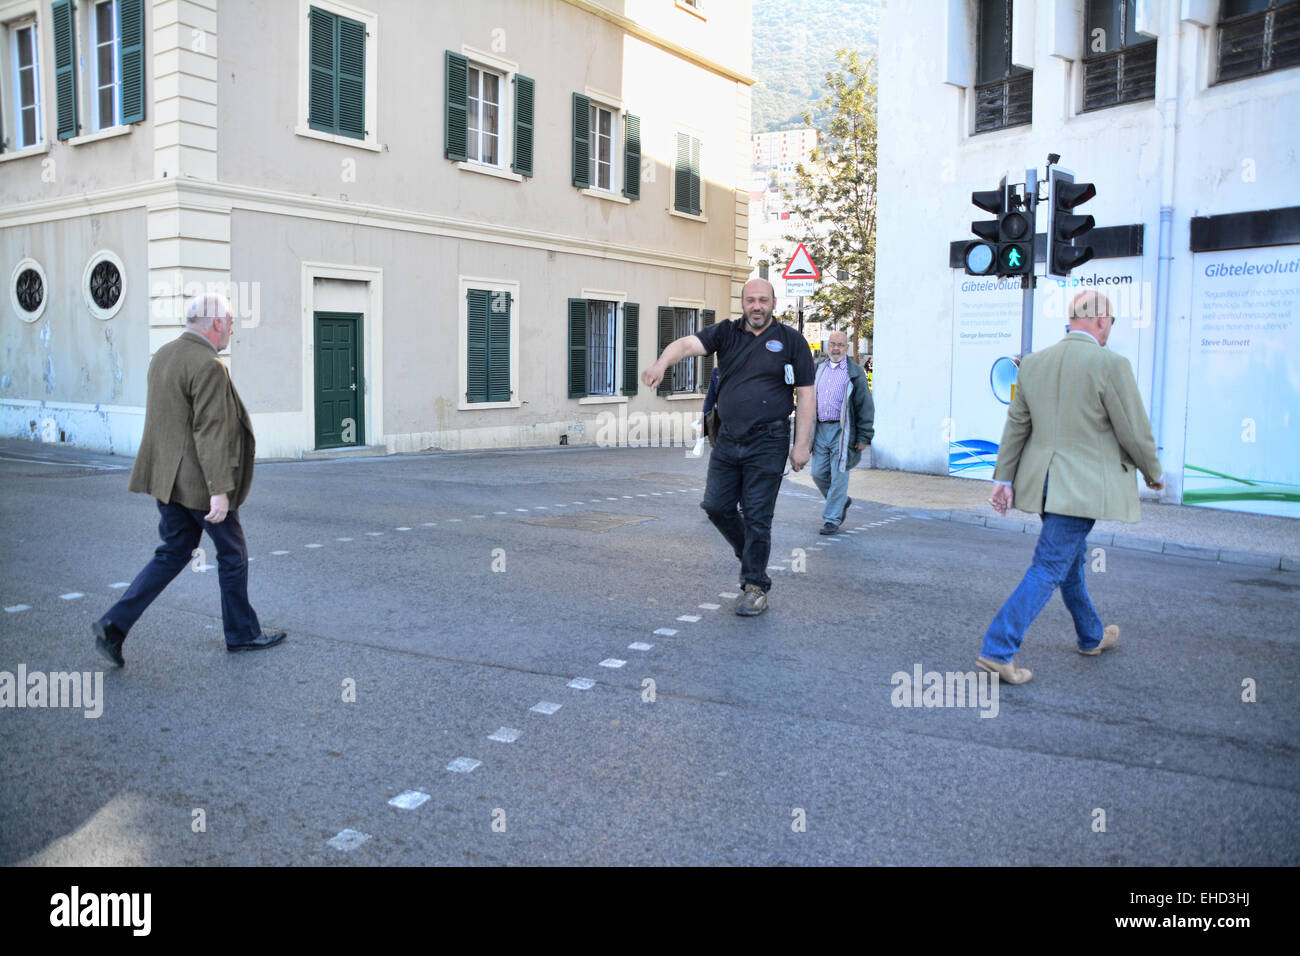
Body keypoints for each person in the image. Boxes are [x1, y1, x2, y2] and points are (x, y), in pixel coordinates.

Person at [977, 290, 1163, 684]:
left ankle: (1091, 634)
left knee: (1069, 562)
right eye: (1111, 320)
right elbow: (1133, 429)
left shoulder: (1035, 364)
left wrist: (1003, 479)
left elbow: (1017, 427)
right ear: (1099, 320)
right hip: (1080, 489)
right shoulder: (1111, 364)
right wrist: (1152, 470)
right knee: (1048, 565)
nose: (1110, 327)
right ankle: (998, 649)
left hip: (1044, 485)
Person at [92, 293, 286, 666]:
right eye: (230, 322)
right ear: (215, 324)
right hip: (199, 486)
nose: (232, 328)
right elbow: (210, 432)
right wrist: (219, 492)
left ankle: (114, 625)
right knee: (233, 555)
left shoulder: (163, 355)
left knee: (172, 554)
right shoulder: (210, 365)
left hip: (167, 481)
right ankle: (242, 634)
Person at [641, 278, 814, 616]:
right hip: (728, 438)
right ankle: (750, 551)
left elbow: (806, 395)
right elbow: (686, 345)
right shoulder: (725, 332)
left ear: (774, 303)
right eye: (750, 300)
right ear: (742, 303)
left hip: (769, 440)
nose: (757, 306)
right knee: (716, 506)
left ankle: (754, 586)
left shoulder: (792, 341)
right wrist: (662, 363)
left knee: (758, 515)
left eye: (763, 300)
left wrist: (801, 445)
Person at [810, 330, 873, 535]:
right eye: (832, 344)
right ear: (828, 346)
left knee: (839, 477)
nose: (836, 348)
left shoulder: (854, 373)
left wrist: (864, 436)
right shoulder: (819, 368)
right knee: (818, 473)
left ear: (847, 348)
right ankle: (841, 502)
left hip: (843, 430)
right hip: (820, 429)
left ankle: (832, 519)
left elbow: (865, 405)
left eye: (840, 344)